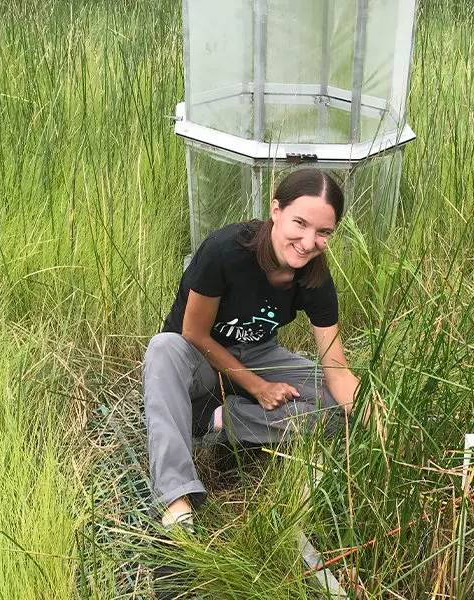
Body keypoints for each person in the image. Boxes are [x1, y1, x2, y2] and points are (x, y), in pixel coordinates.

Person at [142, 169, 360, 529]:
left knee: (340, 414)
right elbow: (194, 333)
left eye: (323, 233)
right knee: (162, 349)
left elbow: (337, 369)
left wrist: (375, 416)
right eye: (300, 223)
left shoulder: (315, 278)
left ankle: (228, 419)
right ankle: (176, 499)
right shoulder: (225, 250)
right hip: (197, 357)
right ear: (276, 210)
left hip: (259, 352)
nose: (308, 242)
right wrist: (259, 387)